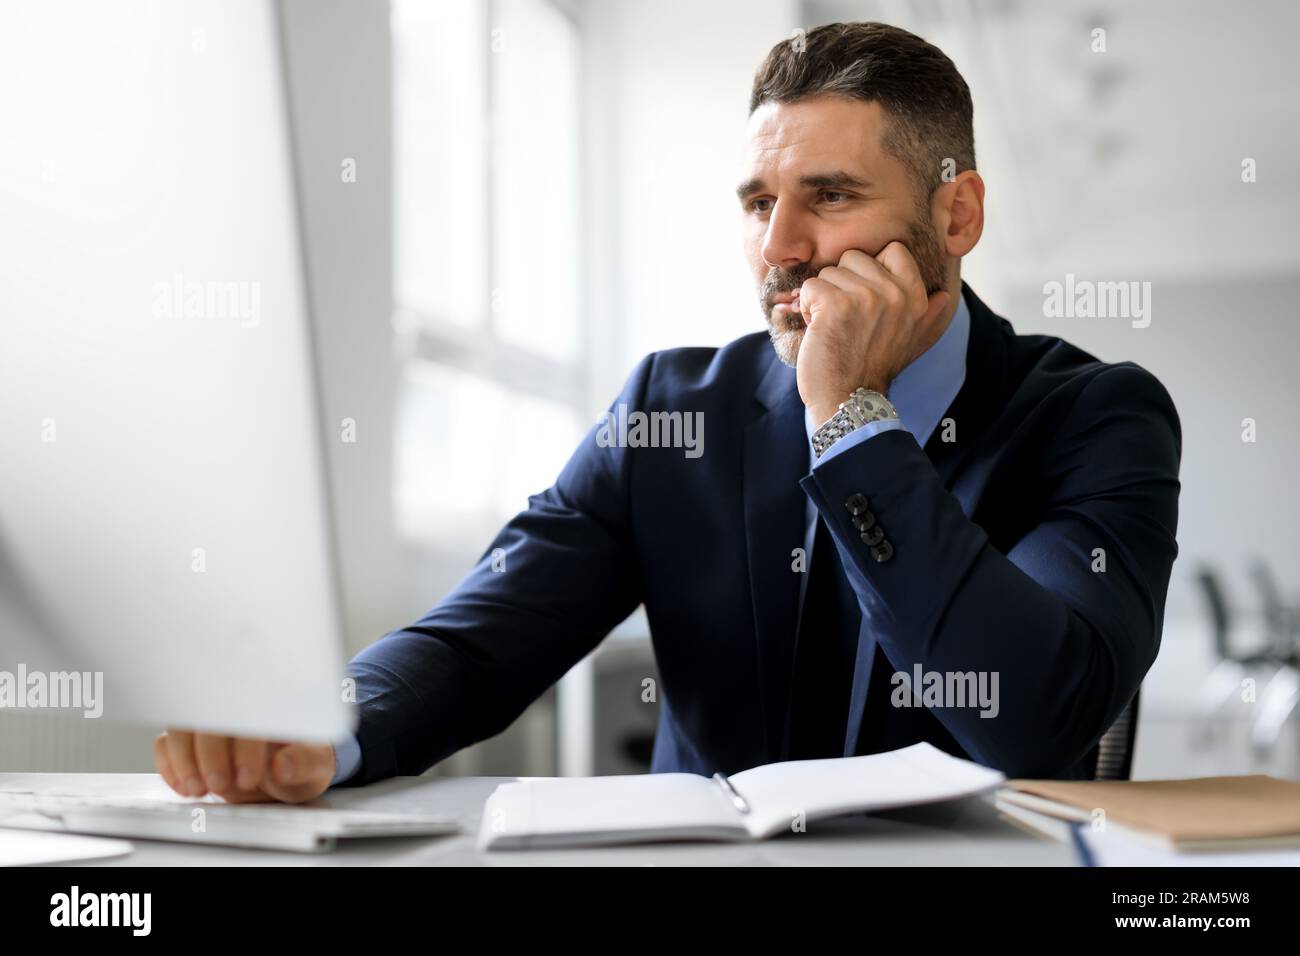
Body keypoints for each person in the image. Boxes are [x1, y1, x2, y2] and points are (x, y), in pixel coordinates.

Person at [154, 21, 1180, 803]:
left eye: (828, 197)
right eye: (755, 202)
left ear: (955, 216)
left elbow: (1031, 710)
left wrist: (853, 421)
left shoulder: (1095, 418)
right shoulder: (672, 409)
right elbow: (482, 639)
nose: (780, 247)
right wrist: (319, 729)